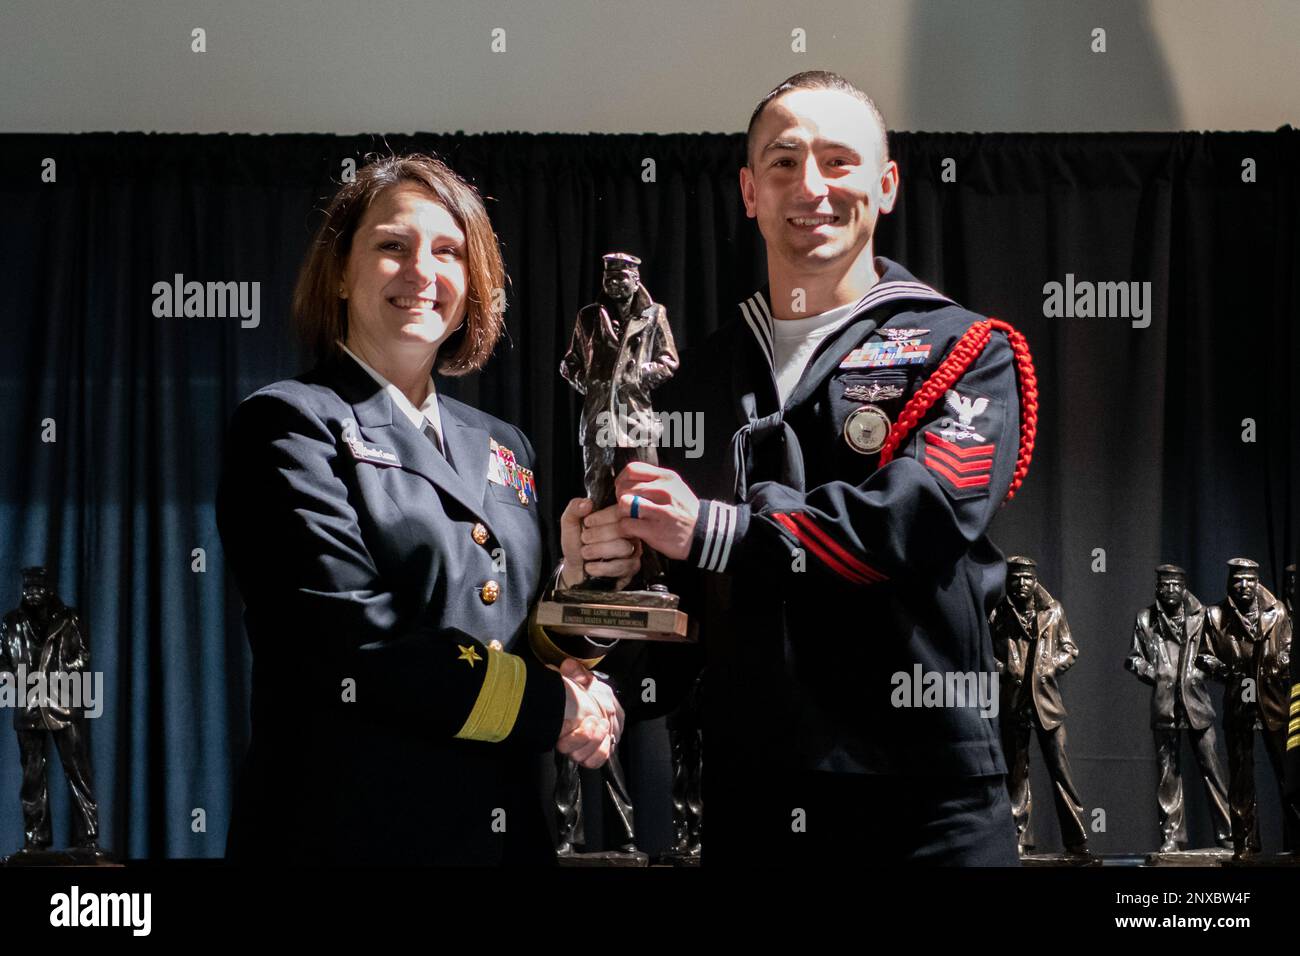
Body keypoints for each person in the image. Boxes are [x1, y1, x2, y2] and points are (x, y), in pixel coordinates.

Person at [602, 71, 1037, 864]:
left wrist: (720, 530)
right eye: (783, 162)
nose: (812, 187)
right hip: (751, 794)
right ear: (748, 191)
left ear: (887, 183)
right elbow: (685, 595)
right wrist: (604, 595)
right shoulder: (697, 374)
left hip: (924, 796)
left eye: (839, 161)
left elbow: (922, 516)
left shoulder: (965, 349)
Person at [216, 153, 637, 865]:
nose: (421, 272)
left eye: (448, 252)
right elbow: (362, 649)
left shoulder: (502, 445)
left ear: (472, 285)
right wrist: (556, 709)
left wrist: (583, 589)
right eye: (391, 247)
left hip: (498, 840)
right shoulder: (289, 425)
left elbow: (509, 639)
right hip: (344, 839)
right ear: (341, 274)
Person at [1123, 564, 1230, 852]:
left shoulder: (1202, 616)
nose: (1170, 590)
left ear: (1184, 587)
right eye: (1165, 585)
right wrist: (1154, 672)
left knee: (1213, 769)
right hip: (1165, 706)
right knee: (1168, 775)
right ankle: (1172, 837)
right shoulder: (1145, 619)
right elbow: (1133, 658)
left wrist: (1201, 672)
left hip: (1196, 704)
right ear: (1157, 587)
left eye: (1175, 585)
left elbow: (1217, 655)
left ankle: (1228, 833)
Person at [989, 557, 1090, 857]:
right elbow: (983, 652)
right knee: (1017, 775)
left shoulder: (1053, 611)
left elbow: (1070, 648)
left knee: (1061, 771)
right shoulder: (998, 614)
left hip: (1046, 703)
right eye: (1016, 578)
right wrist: (1003, 668)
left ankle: (1077, 840)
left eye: (1027, 578)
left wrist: (1050, 666)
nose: (1022, 584)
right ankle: (1019, 840)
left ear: (1036, 581)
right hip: (1013, 702)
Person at [1198, 557, 1294, 859]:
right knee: (1241, 779)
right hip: (1239, 704)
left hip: (1273, 703)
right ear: (1230, 582)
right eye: (1238, 579)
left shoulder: (1277, 612)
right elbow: (1203, 656)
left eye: (1249, 579)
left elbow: (1289, 646)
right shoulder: (1215, 615)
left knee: (1289, 775)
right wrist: (1225, 671)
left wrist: (1282, 663)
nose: (1244, 585)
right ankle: (1246, 844)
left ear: (1257, 581)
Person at [0, 567, 100, 855]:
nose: (32, 593)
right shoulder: (11, 623)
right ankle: (35, 838)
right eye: (28, 588)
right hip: (29, 706)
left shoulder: (69, 619)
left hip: (62, 703)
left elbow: (83, 654)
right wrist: (11, 679)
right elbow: (2, 660)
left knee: (78, 771)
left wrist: (65, 671)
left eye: (38, 588)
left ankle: (89, 836)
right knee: (32, 778)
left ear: (49, 589)